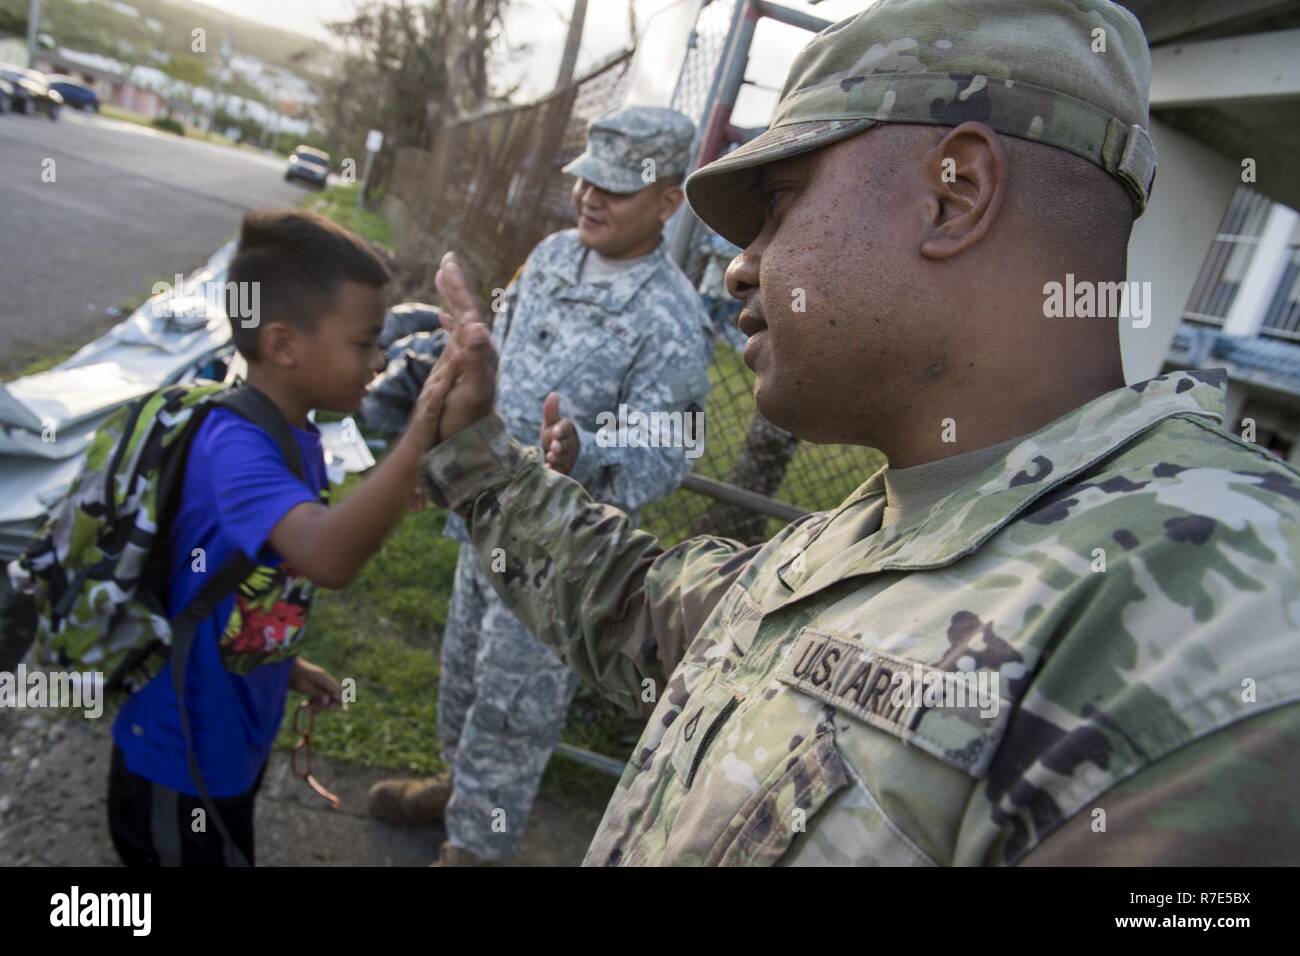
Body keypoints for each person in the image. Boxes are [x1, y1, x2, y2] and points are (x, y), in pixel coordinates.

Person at [412, 0, 1300, 865]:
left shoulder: (1232, 615)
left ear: (956, 193)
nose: (738, 269)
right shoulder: (891, 526)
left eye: (779, 206)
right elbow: (642, 610)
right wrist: (477, 453)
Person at [367, 106, 715, 866]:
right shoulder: (553, 255)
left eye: (616, 189)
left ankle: (476, 848)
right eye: (587, 179)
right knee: (462, 671)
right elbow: (503, 360)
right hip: (484, 512)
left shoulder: (671, 319)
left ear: (666, 200)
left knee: (515, 703)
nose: (591, 198)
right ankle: (455, 787)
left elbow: (674, 444)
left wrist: (587, 448)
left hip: (560, 551)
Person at [108, 210, 448, 866]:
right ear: (285, 345)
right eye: (364, 342)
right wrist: (419, 433)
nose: (380, 360)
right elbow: (326, 555)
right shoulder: (235, 446)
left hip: (229, 743)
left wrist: (285, 664)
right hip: (179, 762)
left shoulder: (293, 435)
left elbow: (232, 578)